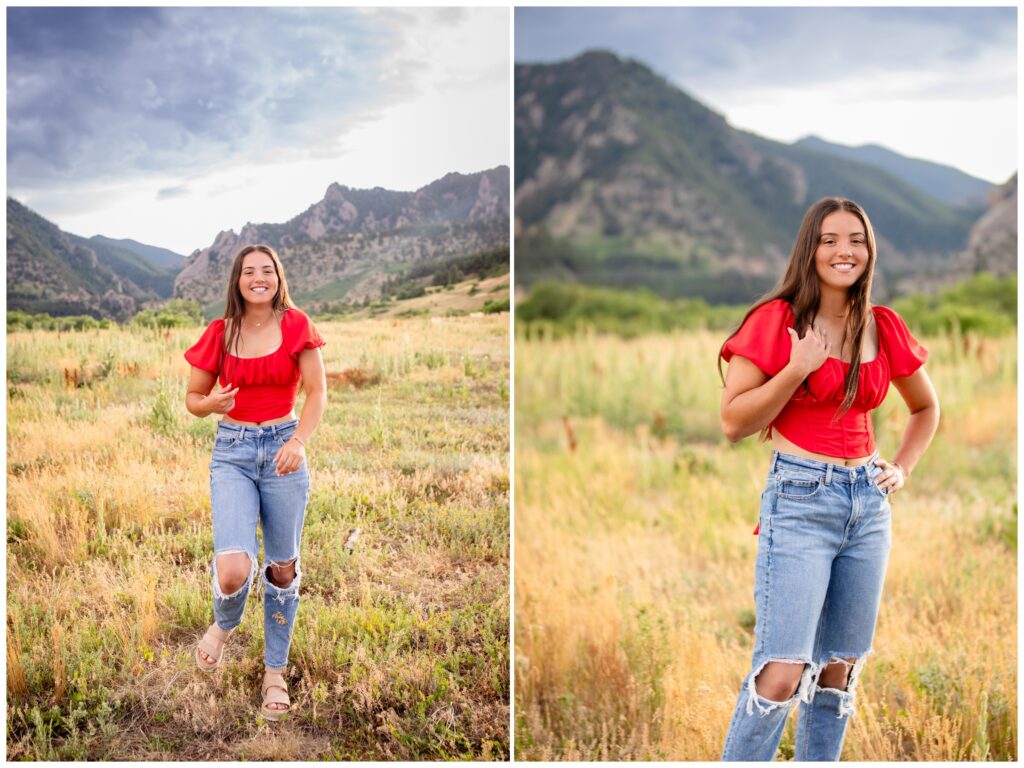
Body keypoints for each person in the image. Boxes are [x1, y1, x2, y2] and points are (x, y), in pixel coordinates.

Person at [717, 198, 940, 761]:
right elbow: (733, 422)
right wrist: (796, 369)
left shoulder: (881, 325)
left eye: (857, 240)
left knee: (839, 668)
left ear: (870, 251)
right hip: (800, 497)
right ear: (809, 249)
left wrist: (902, 467)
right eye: (830, 240)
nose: (845, 251)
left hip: (867, 502)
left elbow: (925, 409)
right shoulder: (776, 320)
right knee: (781, 672)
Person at [184, 243, 327, 721]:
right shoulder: (221, 333)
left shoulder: (296, 325)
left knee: (282, 568)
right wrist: (212, 405)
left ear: (278, 277)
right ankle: (224, 626)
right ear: (238, 280)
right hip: (234, 452)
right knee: (233, 569)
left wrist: (300, 441)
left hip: (284, 449)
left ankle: (274, 672)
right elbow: (192, 398)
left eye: (267, 270)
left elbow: (317, 392)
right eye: (250, 271)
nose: (259, 278)